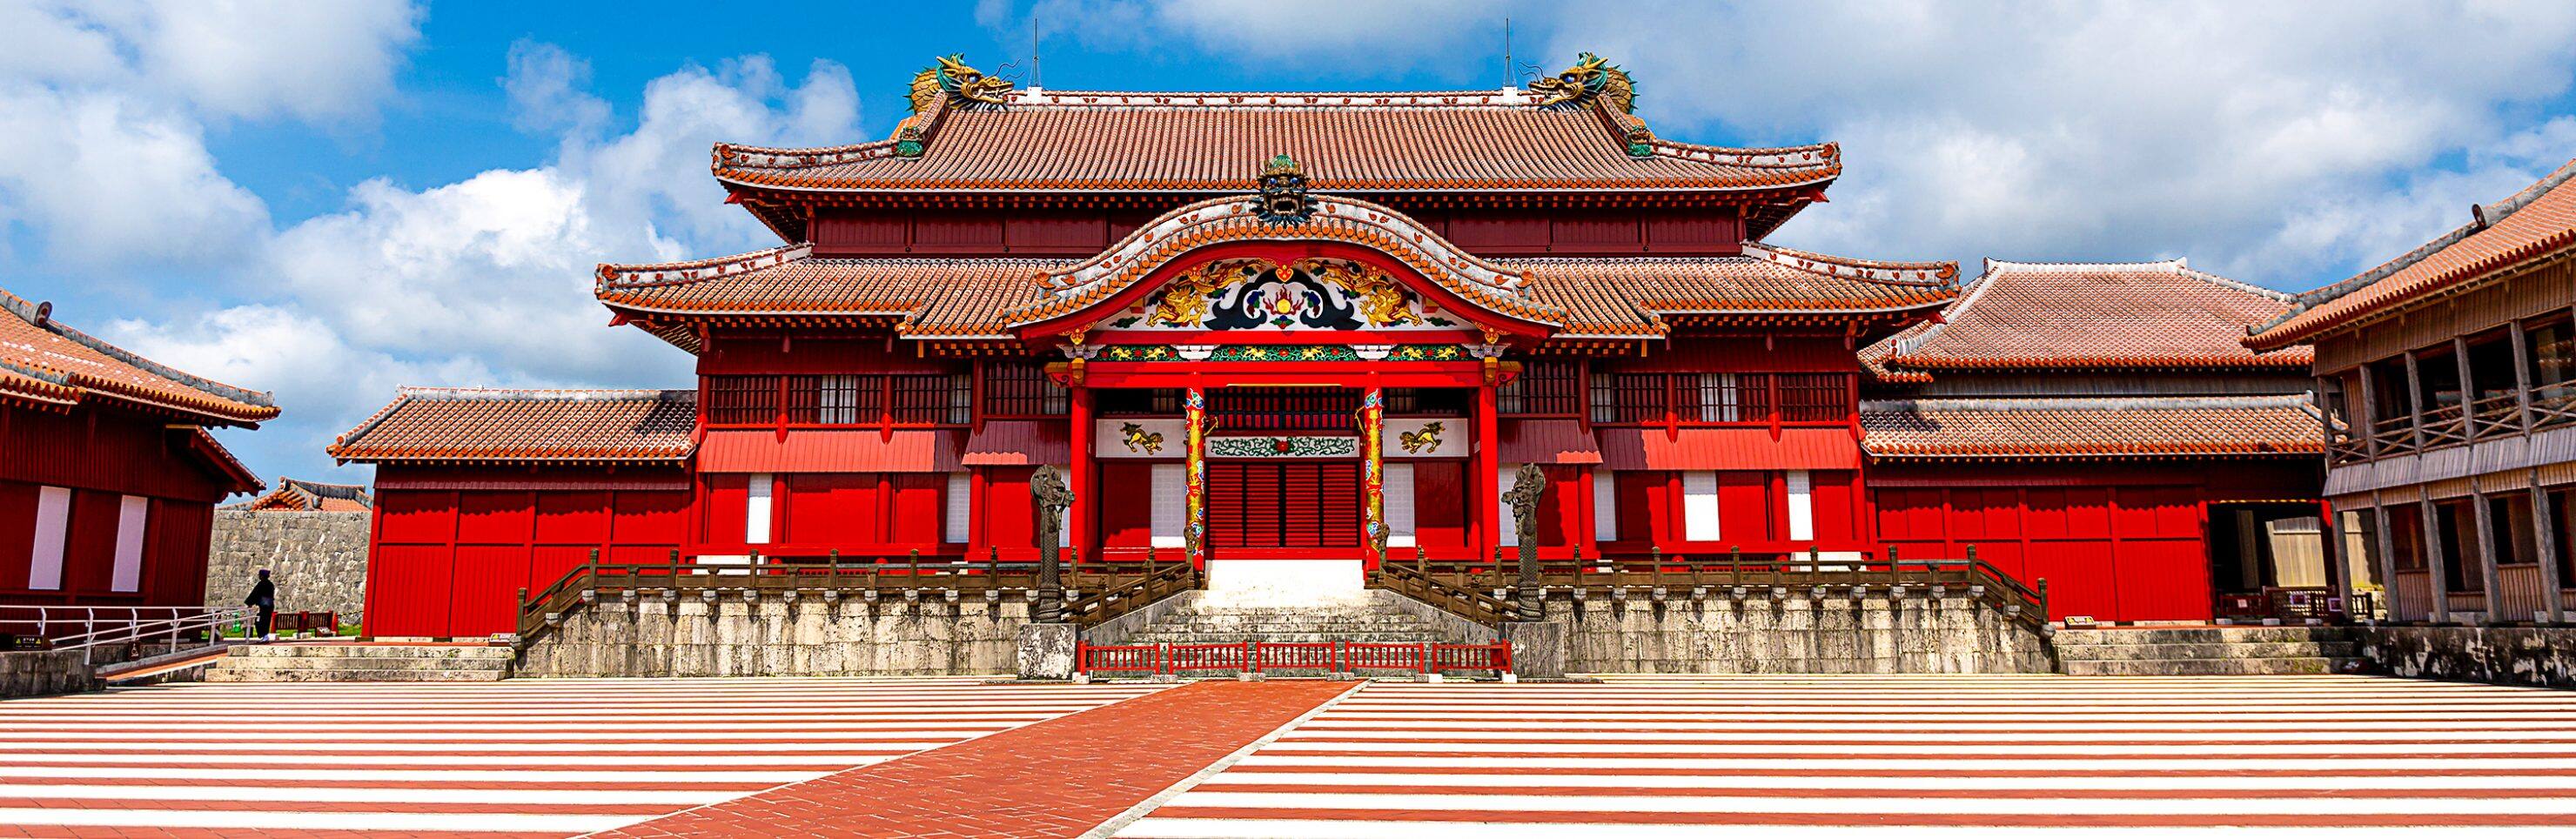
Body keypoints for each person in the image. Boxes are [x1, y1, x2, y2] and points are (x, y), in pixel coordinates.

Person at [244, 569, 276, 641]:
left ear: (262, 576)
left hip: (264, 606)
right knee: (265, 621)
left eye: (260, 575)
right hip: (270, 605)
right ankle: (265, 635)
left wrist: (249, 603)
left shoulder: (261, 584)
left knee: (261, 621)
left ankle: (264, 635)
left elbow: (255, 594)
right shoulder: (270, 584)